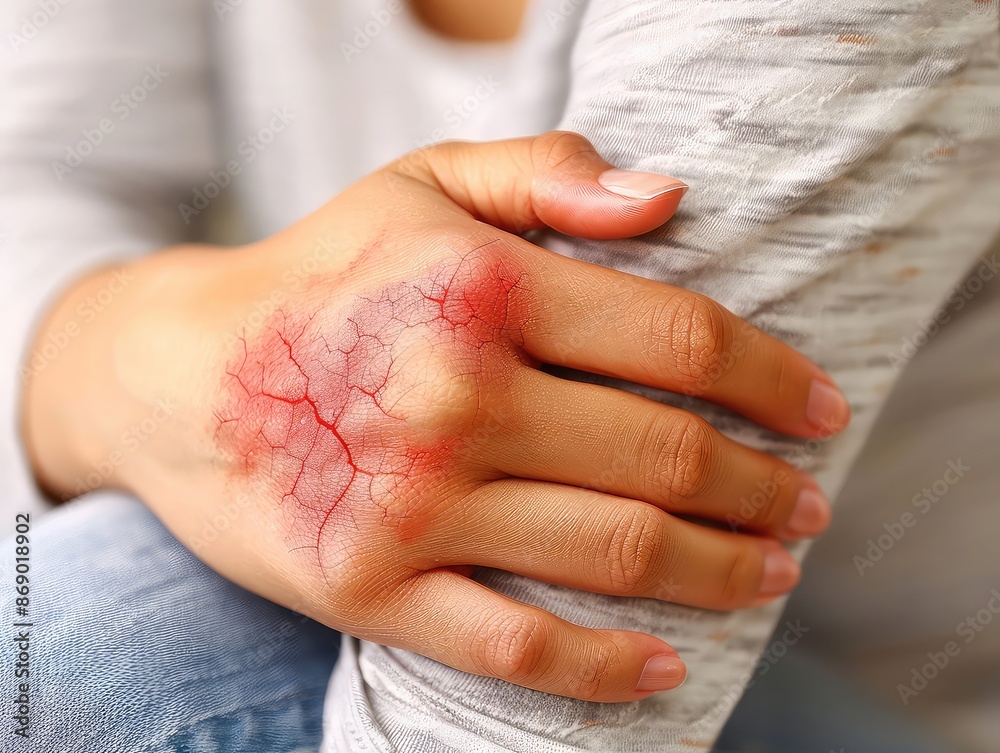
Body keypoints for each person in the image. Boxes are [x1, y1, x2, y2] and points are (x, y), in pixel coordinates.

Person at [1, 1, 998, 751]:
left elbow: (540, 704)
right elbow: (39, 166)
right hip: (426, 602)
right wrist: (164, 363)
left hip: (889, 704)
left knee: (69, 649)